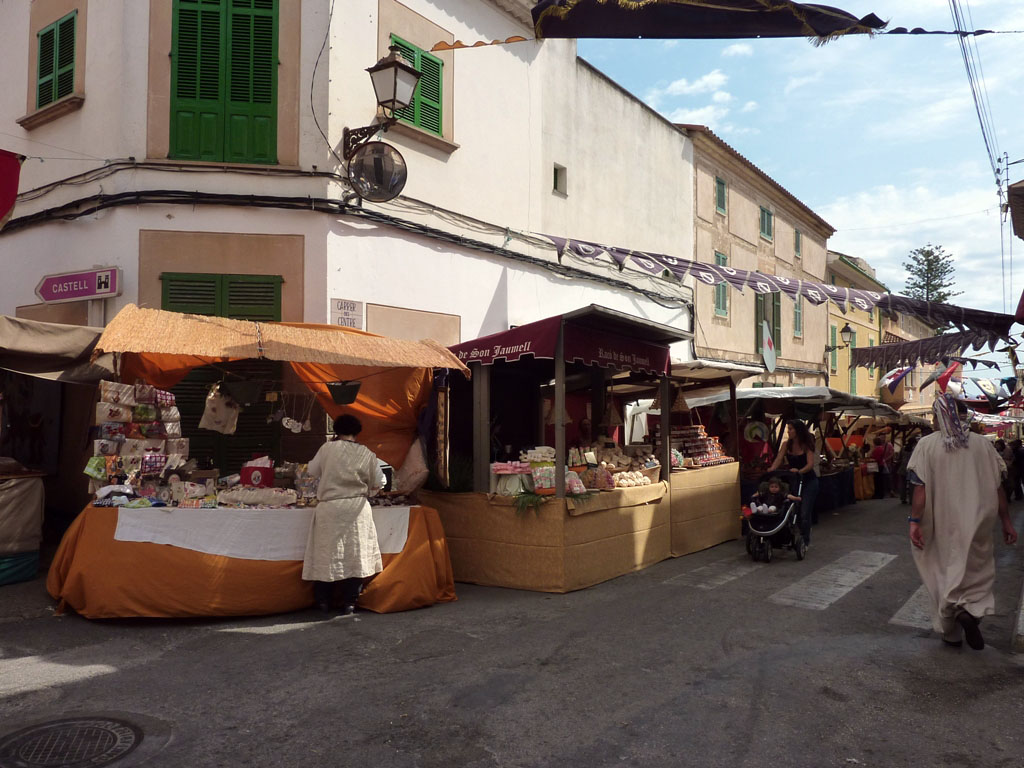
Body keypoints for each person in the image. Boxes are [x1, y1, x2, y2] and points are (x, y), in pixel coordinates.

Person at [907, 394, 1018, 650]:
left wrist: (914, 521)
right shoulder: (983, 445)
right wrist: (1006, 521)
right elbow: (998, 486)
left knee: (944, 570)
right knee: (975, 572)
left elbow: (920, 489)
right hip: (978, 522)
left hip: (941, 523)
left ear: (939, 416)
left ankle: (952, 629)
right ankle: (972, 611)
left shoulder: (926, 445)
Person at [303, 414, 385, 616]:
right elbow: (379, 481)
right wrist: (368, 489)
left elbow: (312, 470)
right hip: (357, 509)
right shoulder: (367, 453)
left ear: (336, 431)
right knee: (356, 556)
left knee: (326, 555)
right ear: (357, 432)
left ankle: (323, 601)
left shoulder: (327, 448)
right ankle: (350, 602)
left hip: (330, 508)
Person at [767, 419, 819, 546]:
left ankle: (805, 540)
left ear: (798, 430)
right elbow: (779, 459)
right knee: (790, 508)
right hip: (794, 480)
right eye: (787, 429)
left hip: (809, 481)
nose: (788, 432)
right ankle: (788, 534)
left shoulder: (807, 445)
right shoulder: (786, 445)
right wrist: (771, 469)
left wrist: (799, 471)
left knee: (804, 511)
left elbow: (810, 464)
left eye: (790, 429)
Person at [897, 436, 918, 504]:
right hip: (912, 468)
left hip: (902, 468)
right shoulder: (915, 449)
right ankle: (911, 500)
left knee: (903, 484)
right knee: (912, 485)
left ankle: (903, 498)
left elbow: (899, 458)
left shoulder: (903, 448)